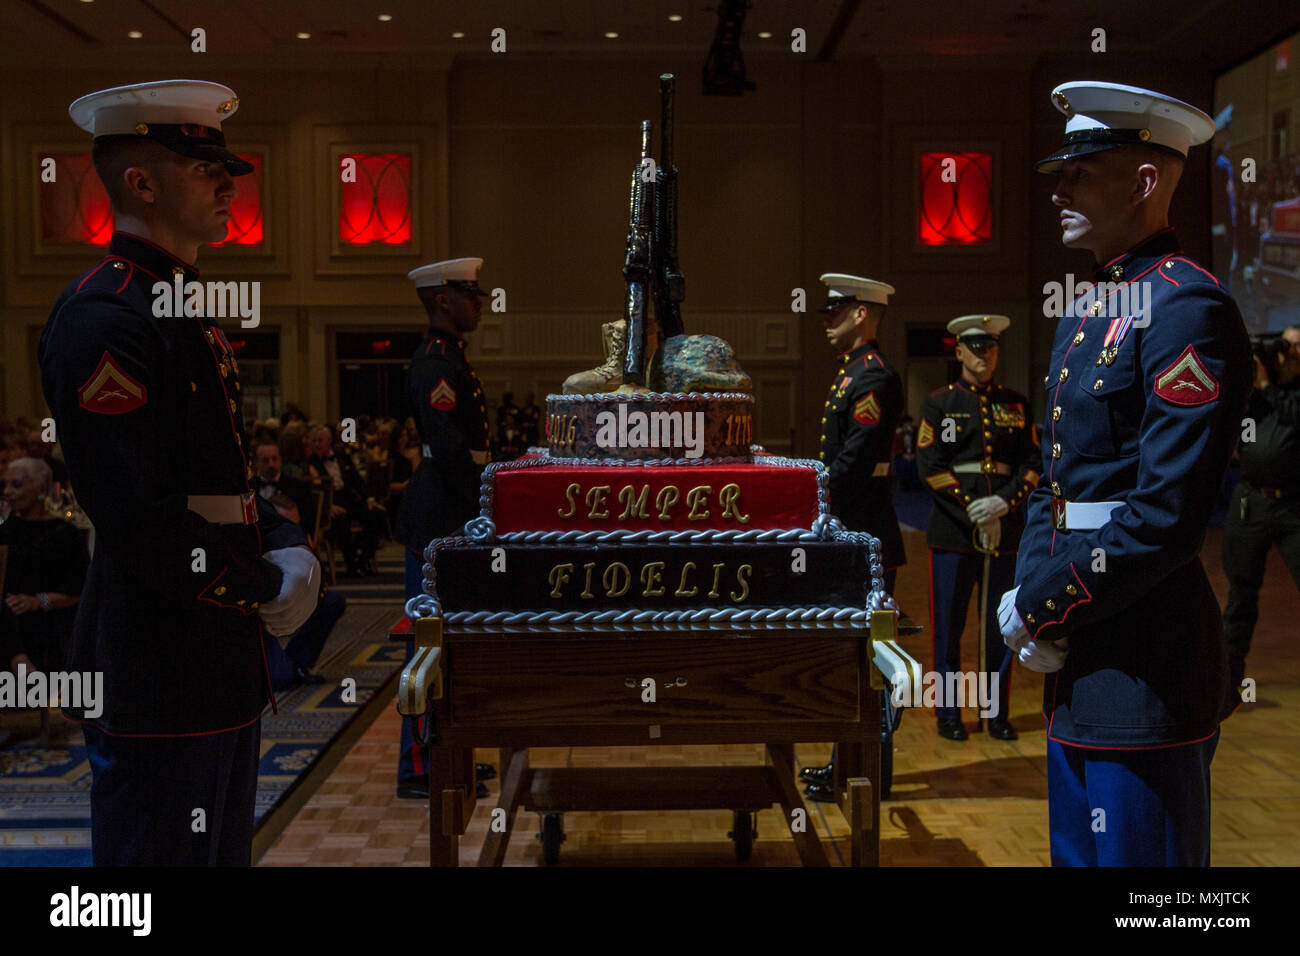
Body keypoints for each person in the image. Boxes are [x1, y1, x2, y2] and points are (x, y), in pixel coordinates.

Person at [38, 80, 320, 866]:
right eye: (203, 168)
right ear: (141, 182)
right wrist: (262, 584)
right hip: (157, 650)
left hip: (213, 646)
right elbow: (139, 517)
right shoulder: (104, 318)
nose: (229, 183)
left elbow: (225, 473)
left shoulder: (178, 305)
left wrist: (289, 538)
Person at [999, 81, 1252, 866]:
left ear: (1145, 181)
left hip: (1146, 663)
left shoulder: (1186, 309)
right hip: (1081, 657)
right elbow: (1058, 485)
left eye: (1081, 172)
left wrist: (1039, 607)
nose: (1058, 189)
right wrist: (1031, 597)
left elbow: (1165, 516)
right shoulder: (1094, 305)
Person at [801, 273, 905, 802]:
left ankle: (872, 773)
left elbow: (856, 461)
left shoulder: (874, 378)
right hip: (853, 531)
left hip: (867, 534)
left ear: (862, 314)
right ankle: (846, 767)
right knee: (851, 655)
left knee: (873, 656)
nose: (828, 320)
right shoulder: (852, 374)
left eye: (836, 311)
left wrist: (814, 499)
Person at [393, 257, 492, 800]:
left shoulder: (451, 357)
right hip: (441, 517)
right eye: (470, 293)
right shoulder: (434, 363)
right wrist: (488, 500)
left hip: (451, 514)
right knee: (426, 646)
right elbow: (452, 452)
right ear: (443, 300)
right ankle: (420, 768)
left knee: (450, 644)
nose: (479, 302)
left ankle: (445, 756)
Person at [918, 315, 1039, 741]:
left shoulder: (1016, 404)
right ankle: (948, 714)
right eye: (974, 347)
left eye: (990, 347)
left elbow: (1031, 464)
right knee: (948, 631)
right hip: (954, 530)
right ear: (959, 352)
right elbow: (930, 466)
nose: (983, 354)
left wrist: (1003, 504)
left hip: (1004, 530)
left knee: (998, 628)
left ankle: (996, 712)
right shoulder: (940, 403)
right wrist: (974, 507)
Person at [1222, 324, 1300, 689]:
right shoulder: (1253, 392)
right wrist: (1253, 376)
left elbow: (1291, 417)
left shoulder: (1291, 395)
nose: (1290, 352)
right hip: (1251, 501)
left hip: (1293, 505)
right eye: (1286, 345)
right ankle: (1229, 674)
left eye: (1295, 346)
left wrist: (1270, 387)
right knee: (1241, 592)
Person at [1, 458, 88, 679]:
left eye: (17, 485)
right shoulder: (6, 531)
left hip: (47, 622)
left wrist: (38, 601)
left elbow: (78, 590)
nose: (8, 492)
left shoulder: (64, 534)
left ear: (40, 488)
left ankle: (19, 658)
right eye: (5, 485)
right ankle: (17, 655)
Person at [307, 424, 385, 577]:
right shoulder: (310, 463)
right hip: (330, 504)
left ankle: (362, 560)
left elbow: (358, 481)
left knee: (378, 515)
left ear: (329, 441)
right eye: (314, 441)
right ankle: (352, 564)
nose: (317, 444)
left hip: (349, 500)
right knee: (341, 520)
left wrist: (369, 499)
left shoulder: (343, 456)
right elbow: (312, 491)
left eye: (320, 440)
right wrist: (328, 506)